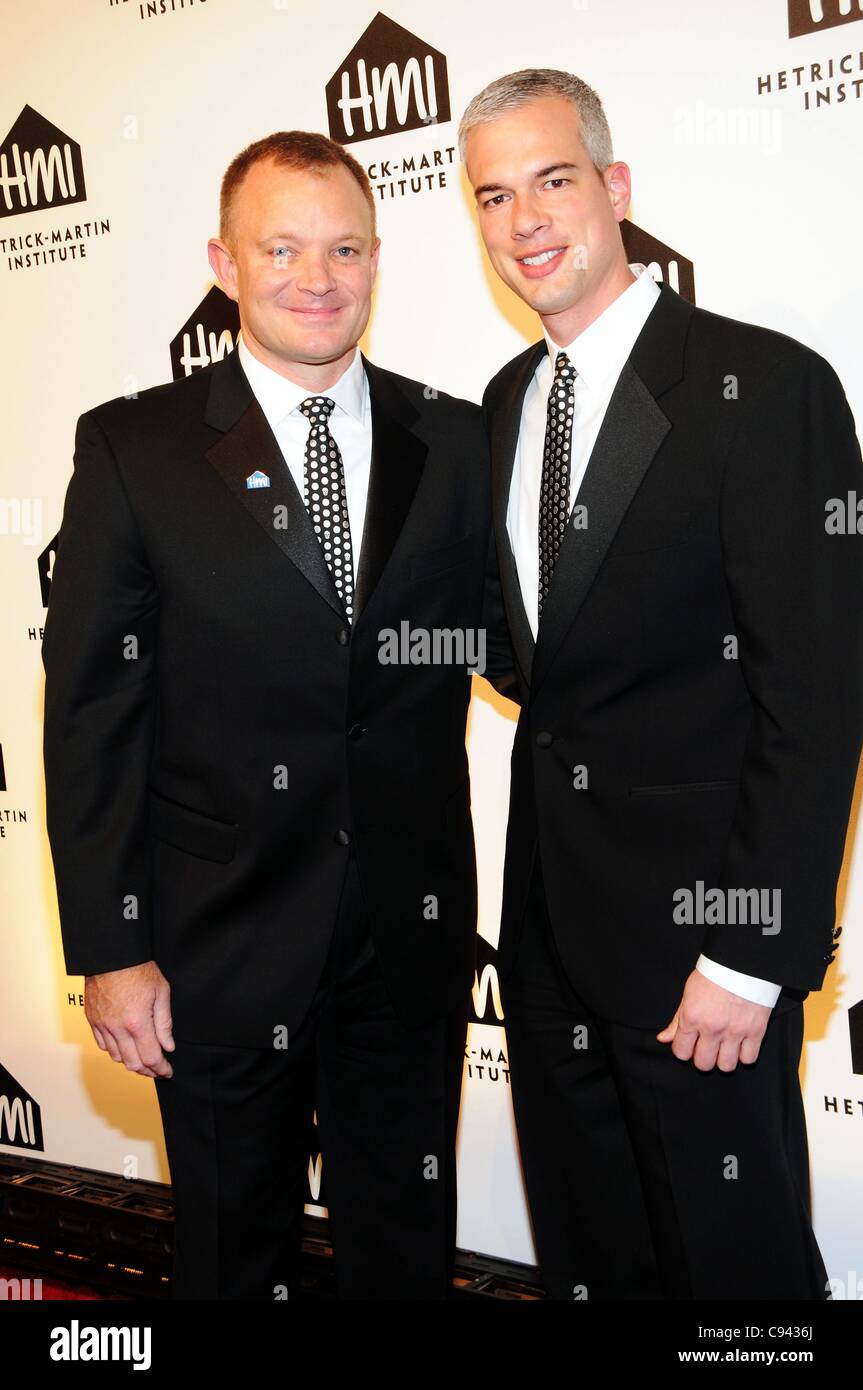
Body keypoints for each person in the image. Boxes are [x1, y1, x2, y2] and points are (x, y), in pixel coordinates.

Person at [42, 130, 490, 1300]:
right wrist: (111, 947)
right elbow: (91, 714)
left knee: (403, 1244)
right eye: (280, 247)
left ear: (377, 258)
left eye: (344, 247)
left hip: (407, 934)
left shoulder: (454, 439)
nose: (316, 275)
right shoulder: (134, 447)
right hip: (213, 945)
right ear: (223, 263)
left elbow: (523, 650)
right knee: (232, 1254)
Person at [462, 68, 863, 1299]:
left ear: (614, 188)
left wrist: (747, 950)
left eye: (551, 179)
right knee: (596, 1265)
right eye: (491, 195)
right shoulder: (501, 405)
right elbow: (530, 659)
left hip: (704, 960)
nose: (524, 218)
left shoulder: (763, 387)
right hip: (545, 950)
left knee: (734, 1285)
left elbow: (816, 690)